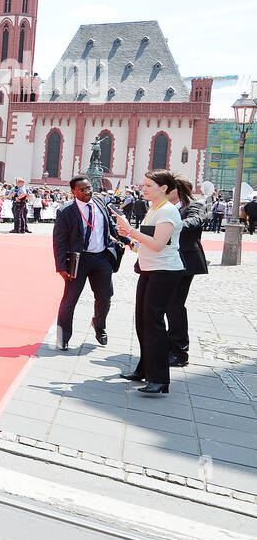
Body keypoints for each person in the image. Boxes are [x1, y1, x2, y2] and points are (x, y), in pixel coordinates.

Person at [115, 170, 185, 396]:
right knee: (143, 321)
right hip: (149, 269)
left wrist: (130, 230)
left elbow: (158, 243)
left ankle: (159, 379)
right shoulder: (153, 209)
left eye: (148, 186)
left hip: (164, 271)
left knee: (153, 322)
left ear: (164, 188)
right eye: (143, 185)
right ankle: (145, 369)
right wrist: (129, 240)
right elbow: (148, 244)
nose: (143, 189)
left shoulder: (167, 211)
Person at [52, 176, 125, 351]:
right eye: (82, 190)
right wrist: (62, 266)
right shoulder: (66, 211)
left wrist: (125, 239)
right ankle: (63, 337)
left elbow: (110, 227)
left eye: (89, 188)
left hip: (101, 258)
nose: (87, 192)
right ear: (73, 192)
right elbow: (59, 241)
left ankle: (99, 325)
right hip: (79, 260)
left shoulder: (99, 203)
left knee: (105, 298)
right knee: (70, 300)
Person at [165, 176, 206, 368]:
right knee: (165, 305)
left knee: (175, 305)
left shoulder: (193, 206)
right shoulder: (164, 206)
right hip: (166, 260)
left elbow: (196, 221)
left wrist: (173, 225)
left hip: (185, 262)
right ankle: (168, 344)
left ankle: (180, 351)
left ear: (177, 190)